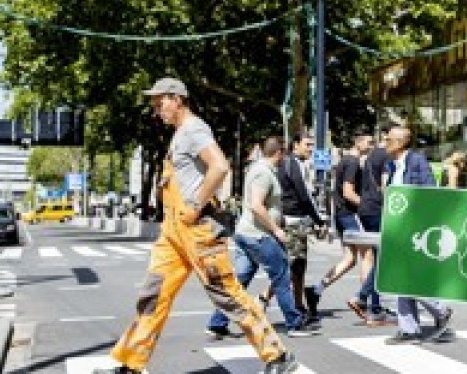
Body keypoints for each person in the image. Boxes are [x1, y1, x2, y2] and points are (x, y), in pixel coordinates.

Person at [98, 78, 297, 374]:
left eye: (160, 101)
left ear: (177, 99)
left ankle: (277, 356)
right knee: (153, 295)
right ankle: (131, 363)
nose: (157, 109)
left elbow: (219, 166)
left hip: (199, 230)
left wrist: (194, 205)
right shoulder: (180, 133)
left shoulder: (194, 129)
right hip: (173, 234)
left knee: (227, 295)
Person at [206, 137, 319, 340]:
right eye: (283, 154)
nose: (284, 159)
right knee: (282, 278)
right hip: (258, 236)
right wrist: (276, 229)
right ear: (278, 153)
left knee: (239, 282)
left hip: (247, 234)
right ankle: (294, 323)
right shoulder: (263, 173)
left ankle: (218, 322)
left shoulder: (259, 170)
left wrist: (281, 220)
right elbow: (257, 206)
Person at [383, 126, 454, 344]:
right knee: (399, 277)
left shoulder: (417, 161)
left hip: (414, 227)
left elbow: (429, 192)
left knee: (406, 277)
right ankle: (409, 328)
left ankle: (439, 309)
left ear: (401, 143)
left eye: (389, 139)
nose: (385, 142)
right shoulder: (392, 165)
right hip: (397, 227)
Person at [303, 134, 373, 319]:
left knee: (350, 260)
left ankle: (316, 290)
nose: (372, 145)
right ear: (357, 142)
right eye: (369, 141)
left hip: (341, 215)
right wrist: (367, 206)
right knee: (368, 255)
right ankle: (364, 301)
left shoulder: (345, 161)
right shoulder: (352, 162)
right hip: (350, 214)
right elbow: (348, 192)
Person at [278, 133, 325, 325]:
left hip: (294, 220)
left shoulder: (292, 163)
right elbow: (304, 195)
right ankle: (275, 302)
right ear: (295, 145)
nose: (310, 148)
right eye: (307, 144)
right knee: (294, 266)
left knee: (297, 267)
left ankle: (299, 305)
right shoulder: (294, 164)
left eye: (312, 145)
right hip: (293, 221)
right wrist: (319, 220)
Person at [348, 133, 391, 326]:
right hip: (376, 209)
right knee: (383, 258)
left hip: (365, 209)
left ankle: (374, 306)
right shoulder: (384, 156)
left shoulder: (372, 155)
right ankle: (363, 297)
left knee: (378, 256)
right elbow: (385, 185)